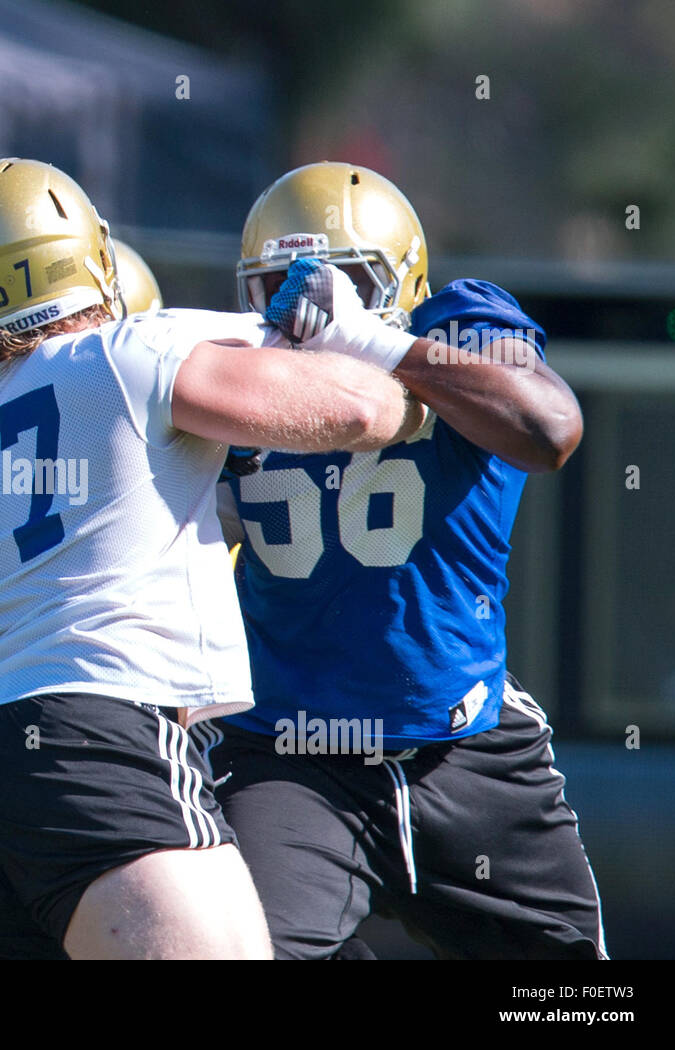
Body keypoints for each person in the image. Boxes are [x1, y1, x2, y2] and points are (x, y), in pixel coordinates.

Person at [0, 158, 428, 960]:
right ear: (92, 253)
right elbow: (354, 408)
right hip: (97, 733)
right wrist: (415, 390)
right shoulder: (133, 348)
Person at [206, 161, 604, 959]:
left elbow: (549, 428)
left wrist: (367, 339)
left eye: (342, 281)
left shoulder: (457, 322)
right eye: (279, 285)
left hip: (465, 745)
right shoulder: (231, 371)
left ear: (402, 281)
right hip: (292, 758)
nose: (305, 306)